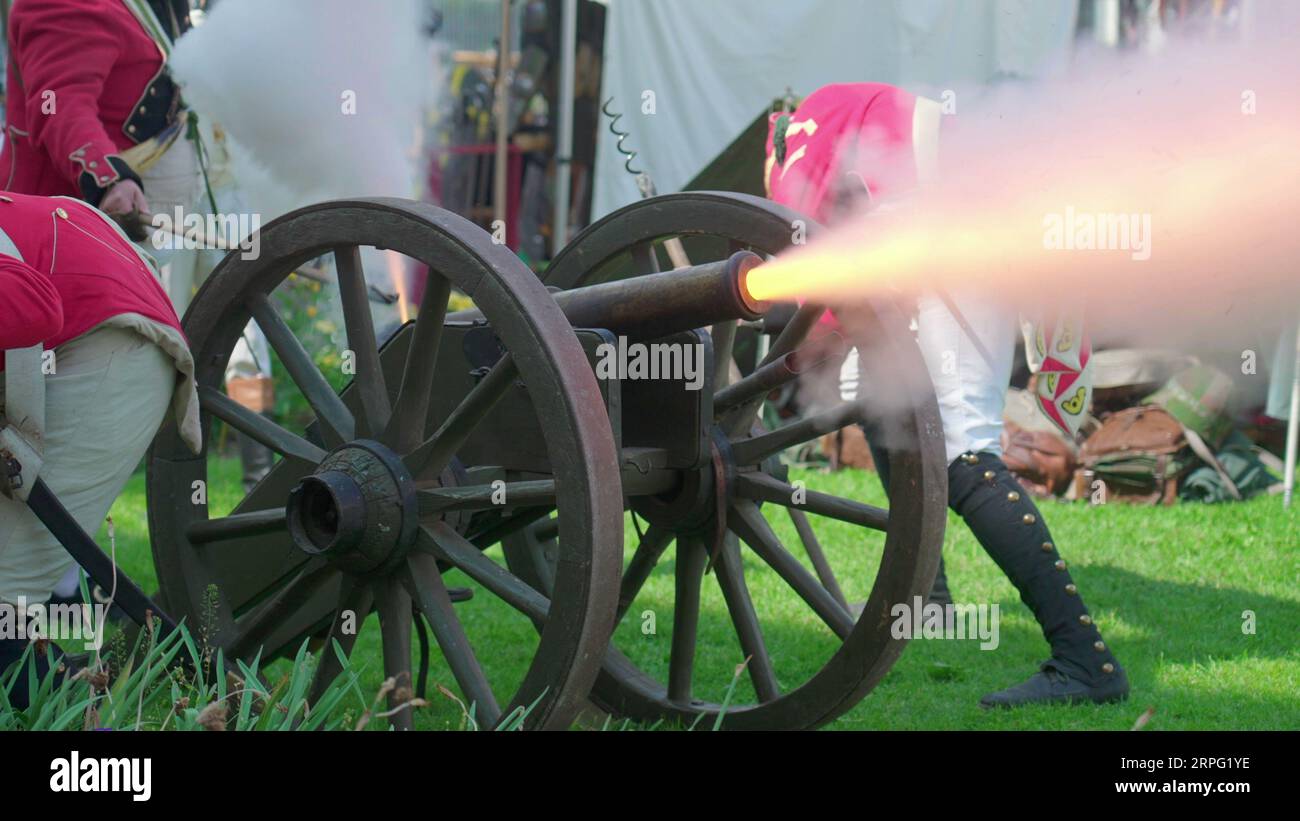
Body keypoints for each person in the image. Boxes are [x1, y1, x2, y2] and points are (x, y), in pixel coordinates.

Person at [764, 82, 1129, 707]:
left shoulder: (800, 139)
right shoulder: (846, 112)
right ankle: (927, 599)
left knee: (962, 448)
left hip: (952, 230)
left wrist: (786, 363)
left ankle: (1085, 662)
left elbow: (814, 264)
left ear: (774, 134)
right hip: (956, 225)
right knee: (880, 400)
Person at [1, 0, 273, 503]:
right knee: (132, 380)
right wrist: (108, 179)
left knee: (179, 362)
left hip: (163, 212)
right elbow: (58, 104)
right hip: (93, 228)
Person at [0, 190, 201, 709]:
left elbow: (30, 305)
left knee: (1, 591)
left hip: (116, 343)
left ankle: (85, 724)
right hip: (84, 322)